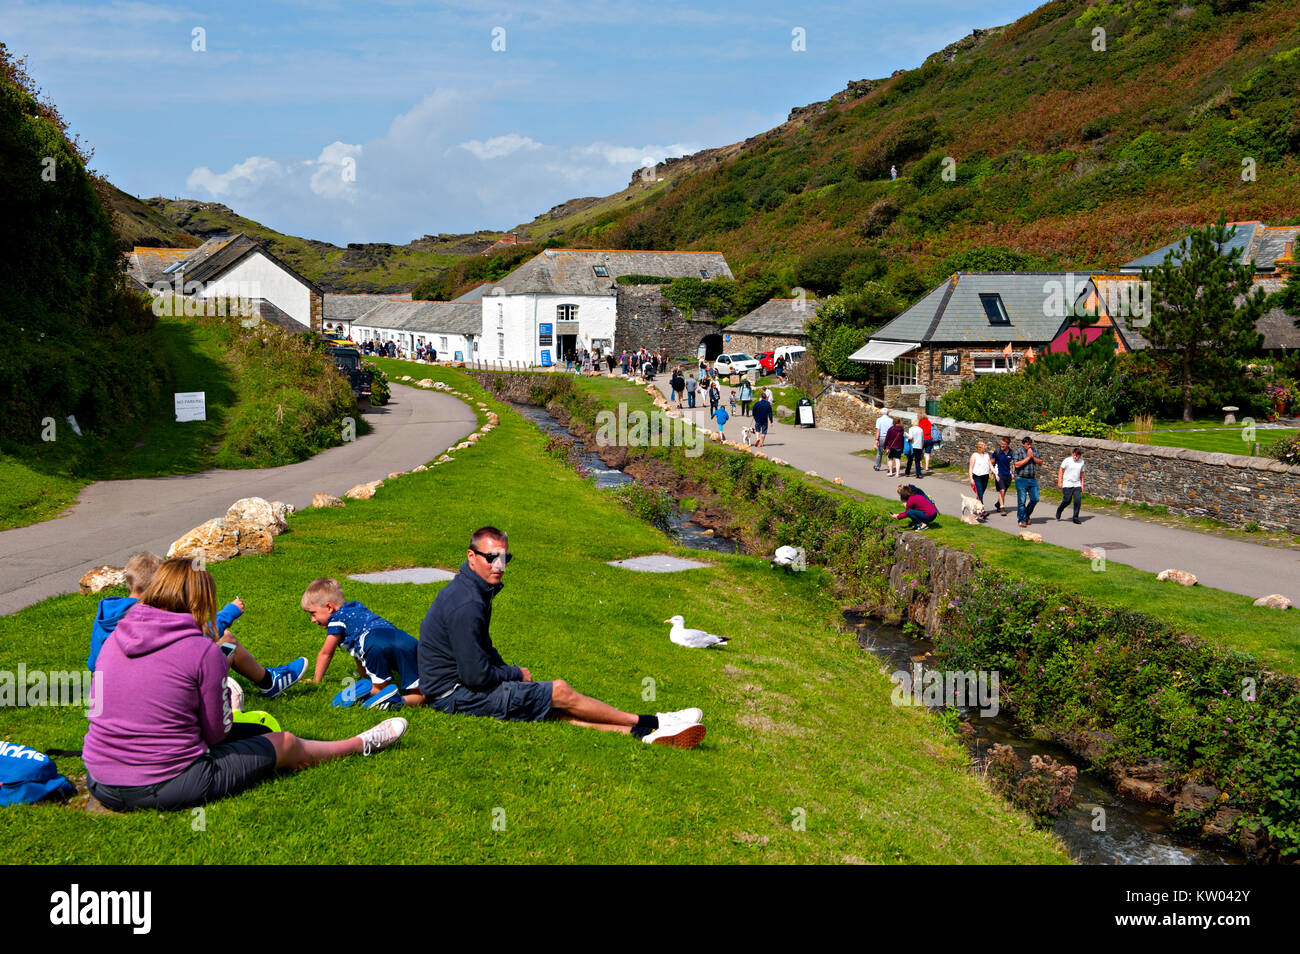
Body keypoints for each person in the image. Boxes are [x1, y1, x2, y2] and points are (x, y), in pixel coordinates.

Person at [83, 559, 407, 812]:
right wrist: (219, 675)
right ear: (200, 603)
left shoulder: (116, 637)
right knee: (284, 743)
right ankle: (362, 743)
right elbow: (216, 734)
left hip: (99, 778)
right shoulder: (201, 651)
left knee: (254, 734)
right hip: (163, 784)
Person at [418, 528, 706, 748]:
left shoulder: (473, 590)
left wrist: (509, 675)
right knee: (559, 692)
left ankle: (643, 734)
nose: (499, 565)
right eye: (491, 557)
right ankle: (655, 721)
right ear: (472, 556)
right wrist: (515, 673)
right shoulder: (467, 603)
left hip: (452, 691)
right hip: (456, 695)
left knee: (550, 708)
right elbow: (476, 676)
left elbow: (483, 647)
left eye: (505, 557)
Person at [88, 551, 305, 698]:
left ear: (128, 582)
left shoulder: (106, 614)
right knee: (227, 640)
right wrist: (229, 612)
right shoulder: (153, 614)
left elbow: (92, 664)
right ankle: (268, 682)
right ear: (162, 584)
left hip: (110, 692)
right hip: (155, 688)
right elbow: (200, 640)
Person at [303, 578, 425, 710]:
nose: (312, 620)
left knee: (381, 689)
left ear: (329, 607)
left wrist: (316, 681)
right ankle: (403, 700)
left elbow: (326, 653)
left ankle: (375, 694)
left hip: (373, 641)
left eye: (313, 613)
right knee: (421, 694)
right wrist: (364, 676)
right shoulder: (357, 607)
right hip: (404, 639)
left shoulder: (336, 619)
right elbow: (357, 655)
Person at [1013, 436, 1043, 527]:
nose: (1029, 446)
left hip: (1032, 479)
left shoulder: (1034, 450)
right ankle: (1021, 520)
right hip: (1020, 478)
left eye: (1030, 444)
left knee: (1035, 498)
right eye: (1027, 444)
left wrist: (1032, 457)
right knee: (1022, 501)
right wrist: (1028, 458)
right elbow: (1016, 465)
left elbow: (1041, 462)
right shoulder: (1018, 452)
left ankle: (1026, 515)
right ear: (1023, 444)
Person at [1056, 447, 1086, 524]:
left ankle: (1075, 518)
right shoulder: (1067, 460)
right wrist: (1059, 482)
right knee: (1067, 500)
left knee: (1077, 500)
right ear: (1072, 454)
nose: (1075, 457)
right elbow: (1061, 470)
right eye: (1074, 455)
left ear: (1080, 456)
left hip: (1077, 484)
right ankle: (1060, 509)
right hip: (1067, 483)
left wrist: (1082, 485)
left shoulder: (1082, 462)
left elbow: (1082, 474)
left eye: (1077, 456)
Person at [992, 436, 1014, 515]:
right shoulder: (997, 452)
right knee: (1002, 490)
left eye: (1004, 444)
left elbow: (1013, 463)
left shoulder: (1011, 452)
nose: (1002, 446)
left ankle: (998, 504)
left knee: (1003, 492)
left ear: (1008, 444)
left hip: (1007, 475)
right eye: (1002, 444)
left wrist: (1013, 473)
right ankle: (1002, 508)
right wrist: (994, 472)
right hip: (999, 474)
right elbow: (991, 462)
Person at [968, 440, 993, 506]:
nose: (986, 446)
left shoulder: (987, 455)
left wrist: (996, 474)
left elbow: (990, 465)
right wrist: (971, 479)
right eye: (984, 445)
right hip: (977, 477)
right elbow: (970, 468)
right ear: (980, 447)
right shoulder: (974, 455)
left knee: (980, 494)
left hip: (985, 477)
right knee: (980, 494)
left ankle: (976, 507)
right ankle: (982, 511)